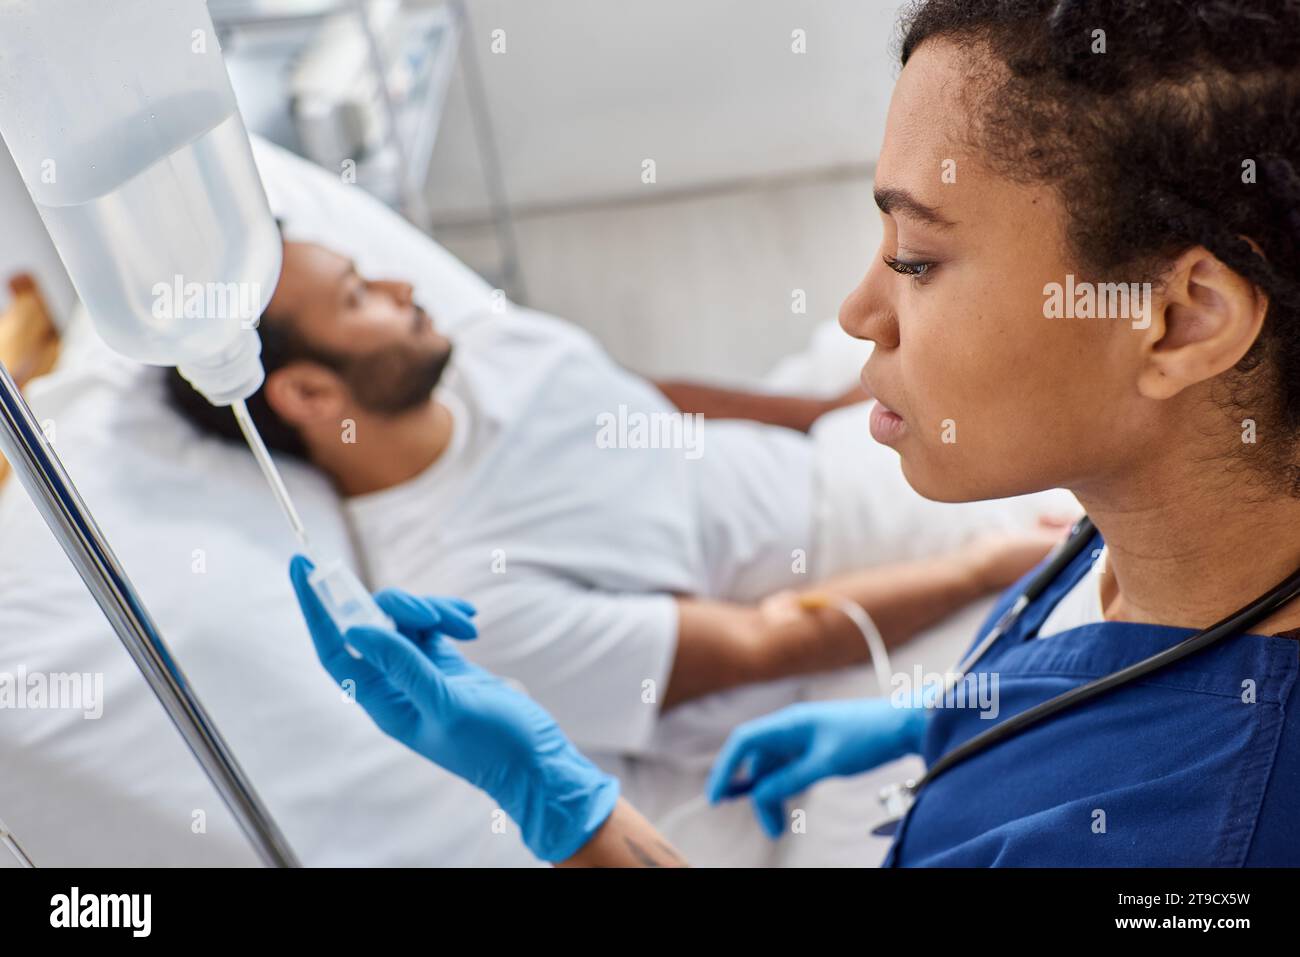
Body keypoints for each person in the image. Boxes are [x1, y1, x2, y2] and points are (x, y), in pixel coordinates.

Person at [292, 0, 1300, 866]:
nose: (859, 310)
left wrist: (563, 809)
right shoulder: (1166, 504)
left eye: (915, 258)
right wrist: (940, 721)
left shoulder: (1172, 837)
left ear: (1179, 321)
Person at [167, 240, 1064, 771]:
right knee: (1086, 466)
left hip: (822, 454)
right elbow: (766, 640)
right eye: (361, 298)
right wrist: (984, 566)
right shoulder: (468, 594)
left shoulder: (481, 353)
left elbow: (651, 397)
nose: (406, 291)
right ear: (312, 397)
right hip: (855, 545)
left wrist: (828, 406)